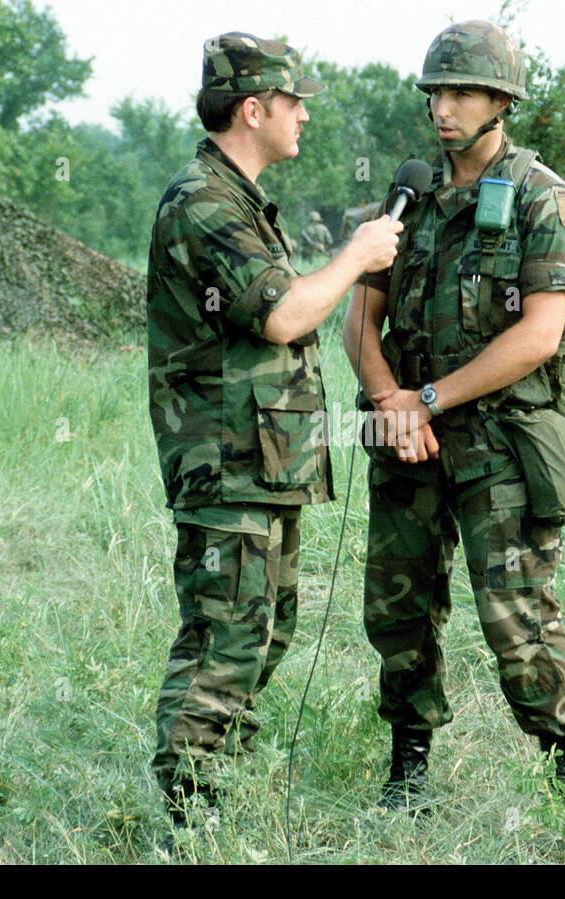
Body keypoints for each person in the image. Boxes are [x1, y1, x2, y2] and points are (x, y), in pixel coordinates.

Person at [146, 31, 402, 827]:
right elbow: (287, 314)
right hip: (226, 469)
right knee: (225, 641)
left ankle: (217, 793)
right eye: (294, 103)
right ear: (253, 109)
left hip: (261, 464)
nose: (304, 118)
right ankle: (189, 823)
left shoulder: (240, 201)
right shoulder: (205, 203)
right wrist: (358, 255)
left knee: (262, 633)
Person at [342, 20, 565, 812]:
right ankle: (407, 768)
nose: (442, 109)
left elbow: (539, 334)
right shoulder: (409, 195)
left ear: (500, 102)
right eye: (435, 94)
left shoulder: (540, 196)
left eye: (460, 93)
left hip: (500, 443)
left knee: (515, 620)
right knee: (398, 608)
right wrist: (391, 399)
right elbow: (360, 317)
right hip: (409, 442)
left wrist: (428, 399)